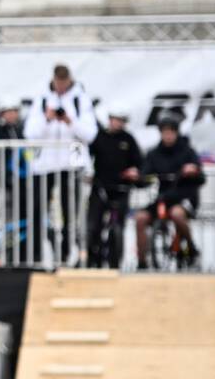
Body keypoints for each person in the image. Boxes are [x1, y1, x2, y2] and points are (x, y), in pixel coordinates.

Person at [22, 63, 99, 266]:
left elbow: (90, 134)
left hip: (71, 162)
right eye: (58, 82)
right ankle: (37, 254)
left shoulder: (80, 99)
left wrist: (69, 120)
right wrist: (47, 119)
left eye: (64, 82)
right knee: (39, 209)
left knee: (70, 210)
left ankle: (67, 254)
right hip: (45, 163)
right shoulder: (42, 99)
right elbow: (30, 134)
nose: (61, 86)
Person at [134, 114, 205, 269]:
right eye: (164, 132)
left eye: (171, 132)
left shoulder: (187, 151)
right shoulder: (154, 153)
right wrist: (139, 176)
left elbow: (201, 178)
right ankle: (142, 262)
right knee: (140, 218)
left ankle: (192, 250)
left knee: (177, 214)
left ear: (176, 132)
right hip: (163, 198)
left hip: (185, 196)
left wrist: (193, 170)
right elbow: (144, 176)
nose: (168, 135)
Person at [84, 107, 142, 268]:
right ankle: (91, 260)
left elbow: (139, 163)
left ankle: (114, 262)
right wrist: (87, 173)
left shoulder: (129, 140)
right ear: (109, 119)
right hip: (100, 190)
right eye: (115, 119)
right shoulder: (99, 137)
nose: (117, 123)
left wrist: (135, 172)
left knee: (117, 228)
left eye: (121, 120)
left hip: (121, 191)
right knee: (92, 227)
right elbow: (86, 157)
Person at [0, 101, 31, 262]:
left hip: (23, 184)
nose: (13, 114)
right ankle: (7, 257)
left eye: (15, 111)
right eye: (9, 111)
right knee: (9, 222)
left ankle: (22, 256)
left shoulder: (22, 131)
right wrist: (5, 180)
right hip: (8, 186)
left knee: (24, 220)